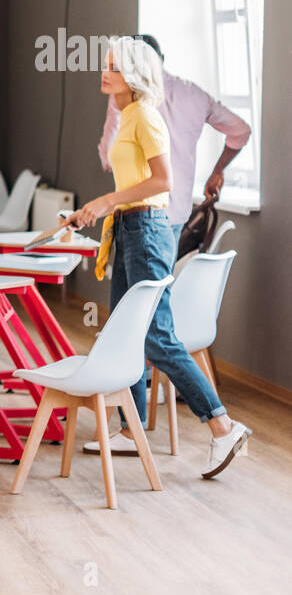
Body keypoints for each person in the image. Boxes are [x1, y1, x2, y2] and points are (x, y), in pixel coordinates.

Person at [68, 35, 251, 479]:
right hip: (132, 227)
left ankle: (223, 426)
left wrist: (106, 202)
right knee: (123, 331)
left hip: (147, 229)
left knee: (157, 337)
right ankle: (131, 430)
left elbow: (162, 181)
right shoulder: (127, 113)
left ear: (132, 74)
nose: (104, 71)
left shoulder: (145, 117)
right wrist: (104, 206)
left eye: (112, 65)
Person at [98, 34, 251, 243]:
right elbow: (240, 131)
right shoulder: (194, 95)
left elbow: (107, 159)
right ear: (162, 58)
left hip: (140, 215)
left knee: (142, 276)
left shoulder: (127, 98)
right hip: (177, 215)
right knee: (163, 275)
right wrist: (218, 171)